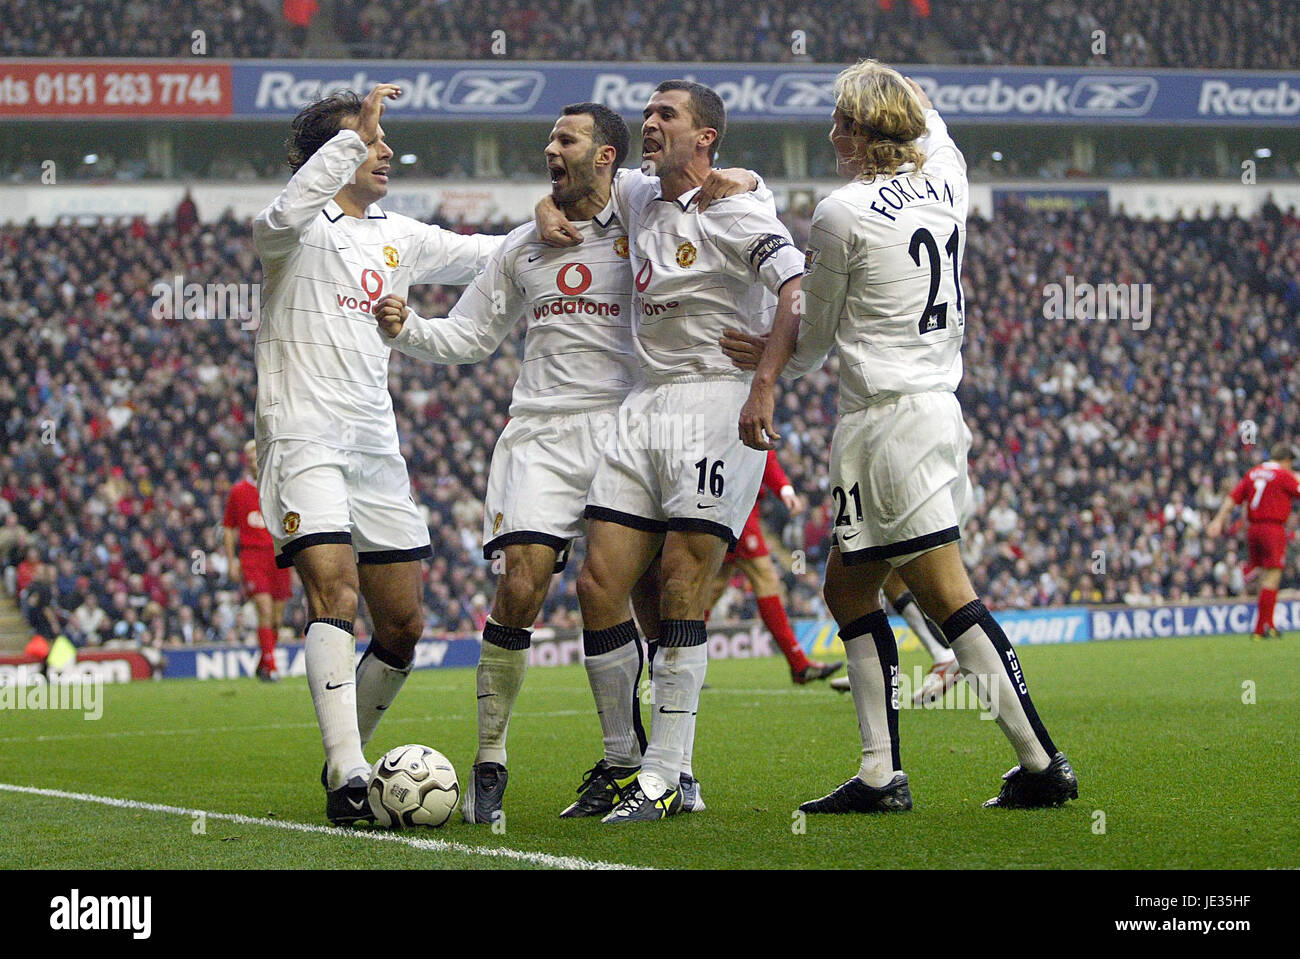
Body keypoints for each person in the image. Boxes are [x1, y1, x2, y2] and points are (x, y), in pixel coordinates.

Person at [377, 103, 760, 824]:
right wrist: (410, 329)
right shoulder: (524, 245)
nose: (550, 149)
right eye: (550, 139)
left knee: (648, 596)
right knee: (521, 583)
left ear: (607, 155)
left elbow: (708, 181)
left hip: (630, 424)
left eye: (566, 139)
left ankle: (661, 767)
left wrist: (749, 178)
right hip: (542, 434)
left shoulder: (643, 210)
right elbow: (470, 336)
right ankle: (492, 758)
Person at [735, 60, 1076, 813]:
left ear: (863, 129)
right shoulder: (948, 179)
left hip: (886, 423)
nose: (831, 133)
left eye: (839, 120)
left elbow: (814, 339)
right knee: (846, 586)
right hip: (932, 411)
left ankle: (1042, 763)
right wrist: (887, 80)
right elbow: (934, 122)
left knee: (947, 593)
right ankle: (878, 774)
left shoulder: (841, 211)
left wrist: (764, 356)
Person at [540, 80, 804, 823]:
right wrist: (544, 207)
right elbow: (575, 183)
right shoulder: (636, 193)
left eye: (667, 116)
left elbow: (797, 288)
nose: (650, 124)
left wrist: (765, 381)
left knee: (684, 583)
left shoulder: (738, 209)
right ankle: (625, 758)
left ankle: (668, 775)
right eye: (648, 114)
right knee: (600, 584)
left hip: (716, 399)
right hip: (645, 401)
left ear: (705, 137)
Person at [252, 83, 500, 824]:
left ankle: (346, 757)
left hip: (374, 444)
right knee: (334, 593)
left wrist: (563, 223)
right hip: (303, 433)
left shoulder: (400, 235)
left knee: (403, 626)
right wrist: (351, 136)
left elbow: (488, 256)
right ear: (331, 155)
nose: (384, 150)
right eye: (368, 141)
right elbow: (285, 212)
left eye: (382, 141)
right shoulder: (292, 229)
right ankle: (349, 772)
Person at [703, 449, 843, 684]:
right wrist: (784, 490)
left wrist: (784, 489)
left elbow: (764, 454)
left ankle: (682, 657)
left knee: (711, 590)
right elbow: (762, 453)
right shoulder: (743, 427)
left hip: (729, 506)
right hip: (736, 508)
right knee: (766, 579)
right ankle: (799, 664)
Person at [1206, 443, 1300, 638]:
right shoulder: (1283, 475)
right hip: (1272, 527)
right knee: (1273, 575)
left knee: (1264, 576)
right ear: (1286, 460)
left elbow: (1232, 499)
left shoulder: (1253, 473)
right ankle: (1260, 628)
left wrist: (1218, 520)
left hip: (1253, 529)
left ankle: (1268, 624)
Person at [223, 439, 291, 681]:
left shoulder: (278, 487)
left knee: (277, 620)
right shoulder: (238, 492)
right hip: (252, 556)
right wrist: (231, 561)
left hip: (278, 555)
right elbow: (228, 528)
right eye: (250, 460)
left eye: (257, 458)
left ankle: (264, 661)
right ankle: (271, 668)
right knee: (264, 608)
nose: (254, 463)